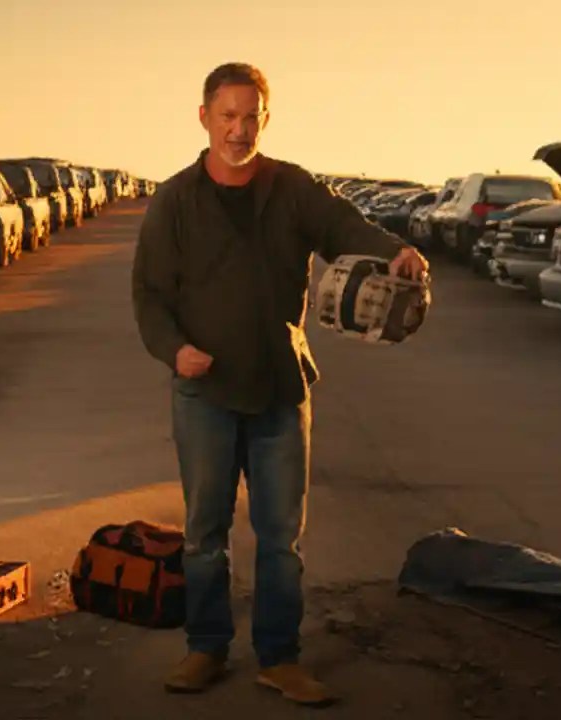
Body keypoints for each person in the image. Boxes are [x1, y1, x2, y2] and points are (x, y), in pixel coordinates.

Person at [130, 61, 428, 707]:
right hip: (204, 392)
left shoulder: (291, 188)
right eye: (227, 116)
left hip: (280, 390)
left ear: (266, 117)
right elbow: (149, 293)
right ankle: (206, 648)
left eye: (250, 116)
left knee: (280, 539)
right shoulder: (176, 199)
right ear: (204, 116)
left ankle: (279, 657)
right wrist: (173, 349)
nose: (239, 130)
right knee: (204, 535)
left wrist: (393, 248)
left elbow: (346, 227)